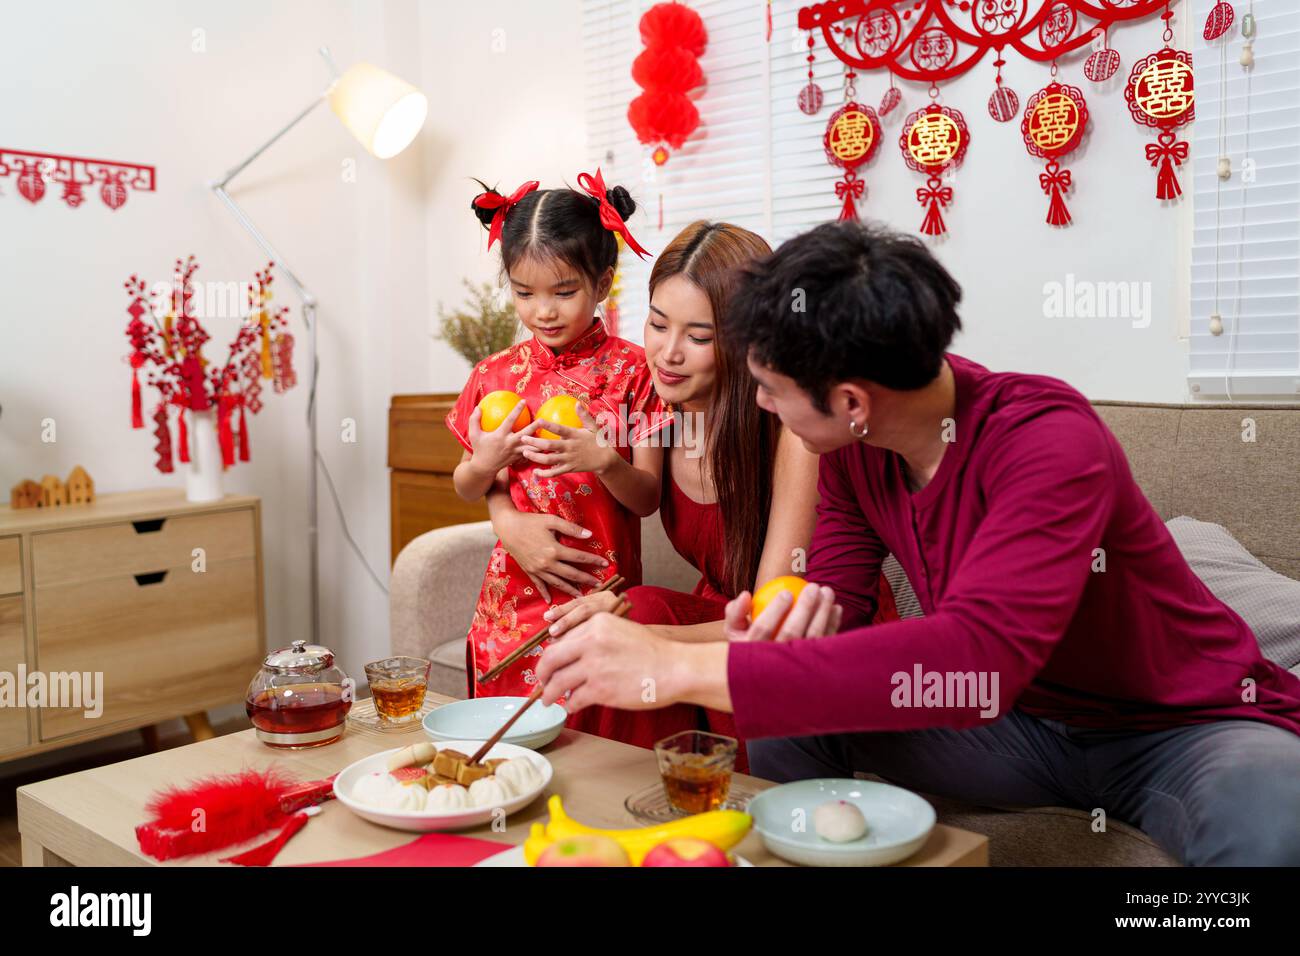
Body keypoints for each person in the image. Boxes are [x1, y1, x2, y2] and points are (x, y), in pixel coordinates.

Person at [533, 219, 1300, 865]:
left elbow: (977, 659)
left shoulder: (1049, 439)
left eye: (770, 390)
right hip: (1017, 730)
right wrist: (768, 624)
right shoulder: (853, 454)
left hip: (1177, 728)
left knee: (1272, 809)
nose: (759, 403)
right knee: (794, 707)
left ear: (852, 401)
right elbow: (828, 604)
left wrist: (677, 665)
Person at [487, 221, 889, 767]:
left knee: (643, 614)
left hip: (800, 636)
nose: (668, 354)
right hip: (721, 617)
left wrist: (634, 631)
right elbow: (525, 476)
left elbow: (769, 619)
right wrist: (506, 517)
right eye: (657, 324)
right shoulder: (655, 419)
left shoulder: (793, 429)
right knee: (639, 607)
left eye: (699, 337)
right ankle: (595, 806)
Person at [446, 171, 666, 701]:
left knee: (595, 755)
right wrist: (486, 467)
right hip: (512, 593)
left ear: (603, 283)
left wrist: (605, 460)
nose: (543, 311)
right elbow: (467, 484)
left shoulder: (636, 372)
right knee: (509, 754)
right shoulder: (492, 375)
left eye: (564, 292)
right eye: (524, 293)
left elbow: (649, 499)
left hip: (601, 597)